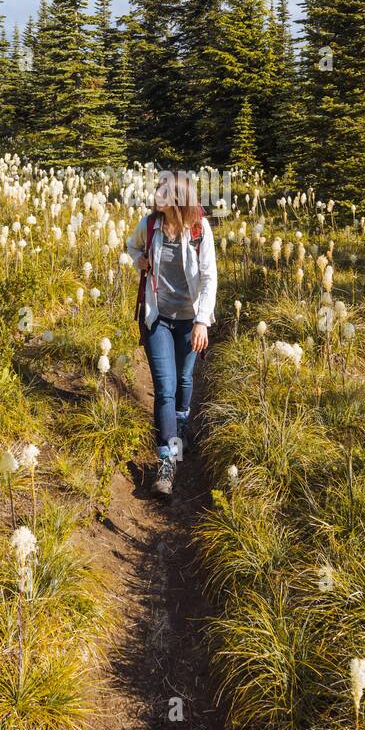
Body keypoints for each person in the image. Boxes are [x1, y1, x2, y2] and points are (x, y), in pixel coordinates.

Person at [127, 171, 218, 497]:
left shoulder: (198, 229)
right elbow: (131, 247)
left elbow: (209, 278)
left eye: (163, 192)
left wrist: (202, 322)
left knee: (183, 380)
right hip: (157, 319)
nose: (157, 196)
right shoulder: (149, 225)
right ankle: (169, 459)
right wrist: (140, 261)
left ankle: (181, 421)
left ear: (179, 198)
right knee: (164, 388)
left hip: (190, 319)